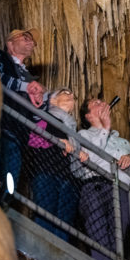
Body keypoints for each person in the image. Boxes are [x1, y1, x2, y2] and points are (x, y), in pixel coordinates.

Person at [73, 97, 130, 260]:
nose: (102, 103)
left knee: (117, 240)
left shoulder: (122, 141)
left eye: (101, 101)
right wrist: (105, 129)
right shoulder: (83, 135)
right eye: (96, 103)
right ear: (88, 116)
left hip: (123, 190)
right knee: (99, 237)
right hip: (96, 187)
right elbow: (92, 159)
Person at [0, 28, 46, 203]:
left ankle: (2, 207)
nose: (31, 42)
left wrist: (39, 103)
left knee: (10, 182)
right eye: (25, 37)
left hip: (18, 135)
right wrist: (24, 87)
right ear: (10, 42)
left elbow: (35, 118)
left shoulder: (30, 78)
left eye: (32, 42)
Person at [27, 87, 88, 241]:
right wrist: (57, 140)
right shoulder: (44, 116)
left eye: (73, 95)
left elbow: (72, 148)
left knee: (64, 223)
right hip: (47, 171)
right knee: (45, 214)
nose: (72, 95)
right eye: (66, 93)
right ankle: (39, 255)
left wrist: (79, 153)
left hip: (68, 178)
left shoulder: (73, 130)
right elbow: (32, 138)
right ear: (53, 100)